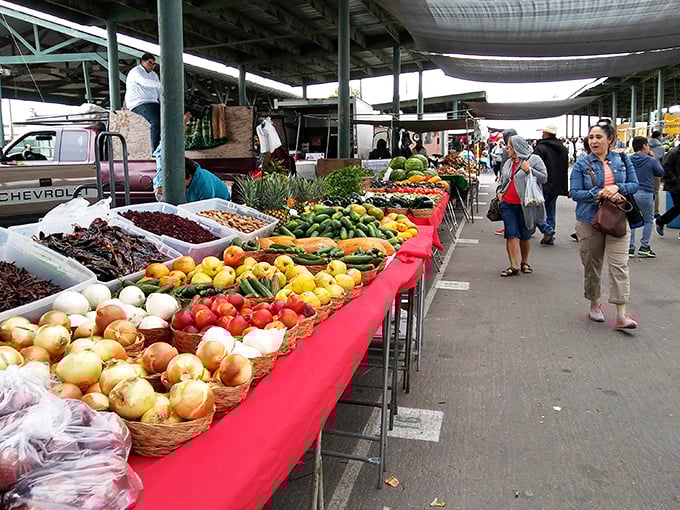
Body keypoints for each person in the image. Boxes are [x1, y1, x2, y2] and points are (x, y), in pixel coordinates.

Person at [570, 118, 639, 329]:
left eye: (599, 137)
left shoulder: (623, 160)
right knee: (592, 265)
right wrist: (598, 192)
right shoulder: (582, 163)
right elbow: (574, 193)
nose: (594, 141)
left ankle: (621, 313)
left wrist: (618, 188)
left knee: (620, 265)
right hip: (589, 220)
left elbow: (634, 185)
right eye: (591, 137)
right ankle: (594, 304)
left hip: (617, 219)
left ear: (610, 139)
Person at [495, 135, 547, 277]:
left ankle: (524, 262)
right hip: (508, 204)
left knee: (525, 235)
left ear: (517, 147)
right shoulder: (508, 163)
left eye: (510, 146)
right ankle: (514, 265)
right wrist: (499, 192)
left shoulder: (534, 159)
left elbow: (544, 177)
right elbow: (502, 180)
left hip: (526, 205)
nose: (507, 149)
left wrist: (529, 170)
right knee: (511, 234)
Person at [628, 136, 665, 257]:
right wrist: (653, 158)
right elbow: (660, 172)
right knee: (649, 220)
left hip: (631, 193)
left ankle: (630, 247)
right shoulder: (650, 160)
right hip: (646, 193)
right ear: (644, 146)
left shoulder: (629, 159)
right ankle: (644, 246)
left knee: (631, 219)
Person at [534, 124, 569, 245]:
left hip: (543, 183)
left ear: (547, 134)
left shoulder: (541, 148)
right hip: (557, 185)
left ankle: (546, 229)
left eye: (544, 132)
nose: (542, 134)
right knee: (550, 209)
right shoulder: (563, 148)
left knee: (535, 208)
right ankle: (550, 235)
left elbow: (535, 166)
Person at [124, 53, 161, 152]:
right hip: (139, 102)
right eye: (150, 63)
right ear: (142, 62)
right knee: (156, 121)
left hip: (153, 102)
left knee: (167, 119)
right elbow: (144, 81)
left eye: (154, 64)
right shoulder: (136, 72)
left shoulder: (154, 75)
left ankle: (164, 145)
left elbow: (159, 91)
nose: (152, 66)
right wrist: (163, 84)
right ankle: (156, 149)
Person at [495, 128, 518, 236]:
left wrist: (500, 184)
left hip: (508, 183)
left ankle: (509, 228)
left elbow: (504, 166)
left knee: (507, 207)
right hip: (518, 184)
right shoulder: (526, 148)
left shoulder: (507, 150)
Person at [655, 144, 680, 239]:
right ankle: (661, 220)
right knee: (678, 206)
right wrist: (675, 179)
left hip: (676, 183)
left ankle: (661, 221)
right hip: (675, 185)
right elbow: (665, 168)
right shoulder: (674, 152)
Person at [648, 130, 665, 217]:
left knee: (646, 190)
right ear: (659, 137)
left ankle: (645, 210)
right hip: (656, 171)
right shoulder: (661, 148)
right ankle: (656, 211)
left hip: (646, 170)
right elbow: (662, 161)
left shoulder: (646, 145)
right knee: (656, 191)